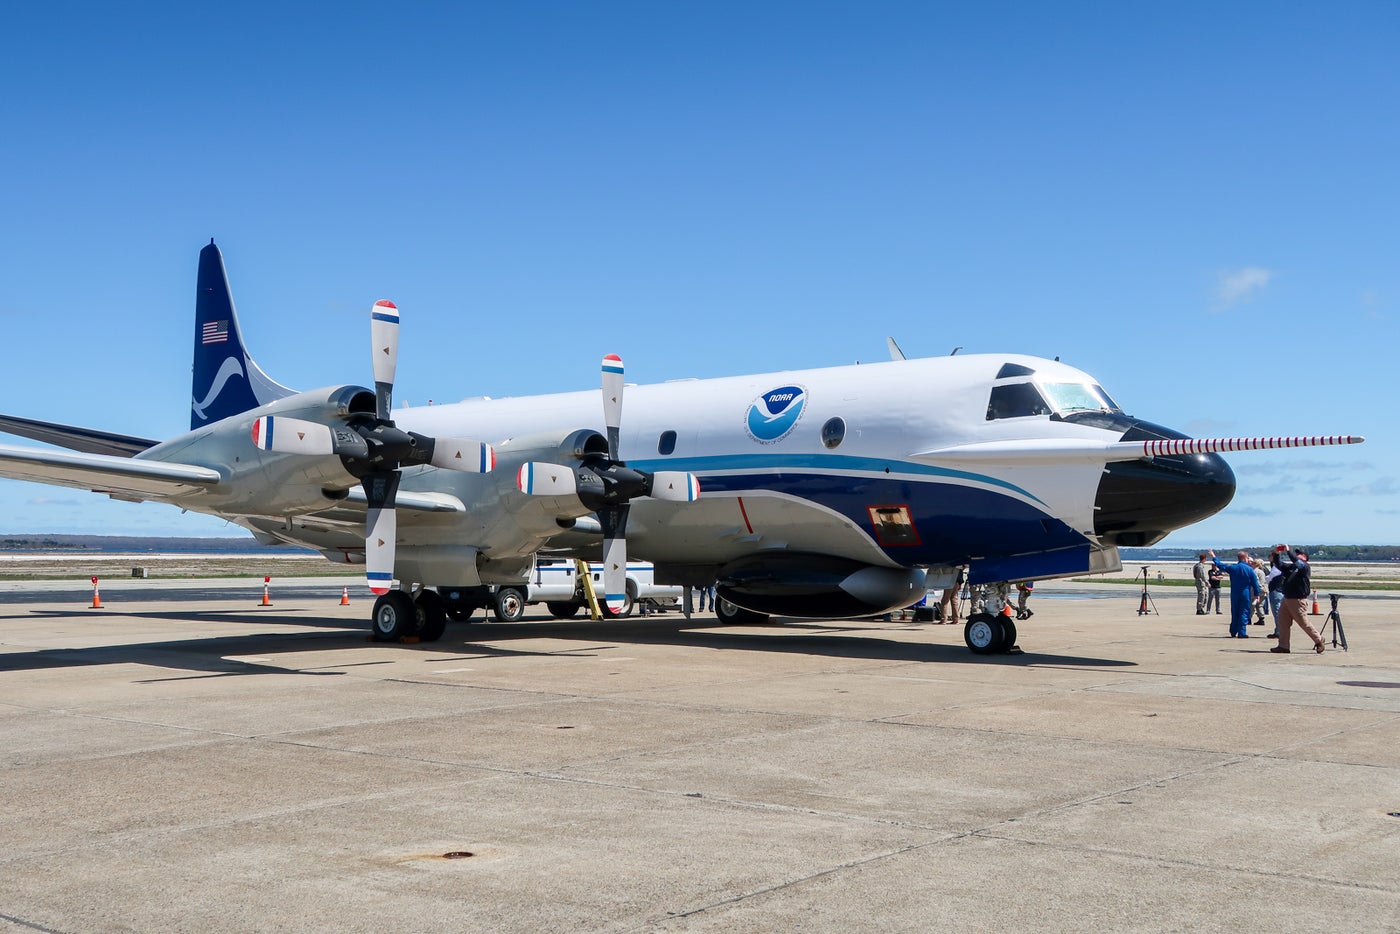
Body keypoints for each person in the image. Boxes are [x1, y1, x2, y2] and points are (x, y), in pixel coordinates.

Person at [1271, 546, 1324, 654]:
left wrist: (1288, 551)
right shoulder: (1291, 567)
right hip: (1286, 598)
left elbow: (1296, 561)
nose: (1297, 555)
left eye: (1299, 554)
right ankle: (1283, 646)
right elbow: (1279, 564)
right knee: (1283, 623)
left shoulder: (1304, 567)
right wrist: (1276, 554)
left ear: (1305, 557)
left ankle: (1318, 640)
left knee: (1303, 622)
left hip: (1298, 600)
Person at [1209, 549, 1259, 638]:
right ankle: (1242, 632)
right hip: (1245, 593)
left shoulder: (1233, 568)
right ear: (1245, 558)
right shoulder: (1249, 570)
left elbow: (1221, 565)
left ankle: (1233, 631)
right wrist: (1257, 594)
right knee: (1244, 611)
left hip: (1235, 593)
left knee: (1235, 611)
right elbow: (1255, 583)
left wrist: (1214, 557)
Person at [1264, 548, 1286, 638]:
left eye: (1270, 556)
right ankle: (1278, 630)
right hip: (1277, 590)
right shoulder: (1275, 565)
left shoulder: (1276, 566)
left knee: (1277, 612)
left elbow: (1270, 577)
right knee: (1277, 612)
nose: (1268, 558)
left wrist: (1264, 577)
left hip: (1276, 590)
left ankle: (1279, 631)